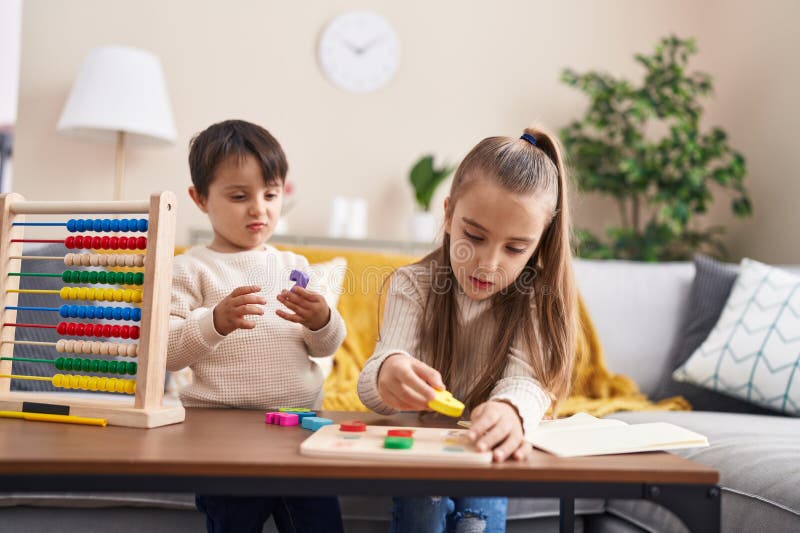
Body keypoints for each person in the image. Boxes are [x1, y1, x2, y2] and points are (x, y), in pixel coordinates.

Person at [357, 127, 578, 533]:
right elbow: (378, 374)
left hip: (484, 453)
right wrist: (388, 372)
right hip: (421, 450)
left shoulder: (536, 297)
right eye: (473, 236)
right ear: (447, 213)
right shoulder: (413, 285)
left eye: (515, 248)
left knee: (478, 516)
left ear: (539, 241)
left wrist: (511, 411)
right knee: (422, 509)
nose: (487, 264)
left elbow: (529, 382)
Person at [168, 119, 346, 533]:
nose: (259, 209)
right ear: (199, 198)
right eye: (238, 196)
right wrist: (213, 322)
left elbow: (324, 347)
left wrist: (322, 320)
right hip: (221, 437)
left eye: (270, 194)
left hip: (301, 432)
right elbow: (169, 354)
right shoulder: (189, 269)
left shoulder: (295, 267)